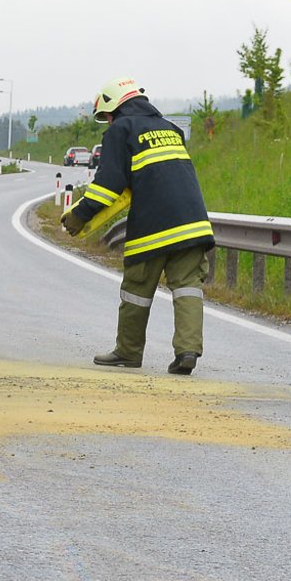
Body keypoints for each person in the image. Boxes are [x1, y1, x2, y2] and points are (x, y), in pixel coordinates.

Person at [62, 76, 214, 374]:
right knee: (187, 287)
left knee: (137, 288)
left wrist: (80, 214)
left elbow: (109, 185)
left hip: (153, 223)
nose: (108, 122)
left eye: (106, 116)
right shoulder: (171, 129)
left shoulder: (121, 130)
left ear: (114, 108)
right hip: (193, 222)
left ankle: (129, 351)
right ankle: (187, 352)